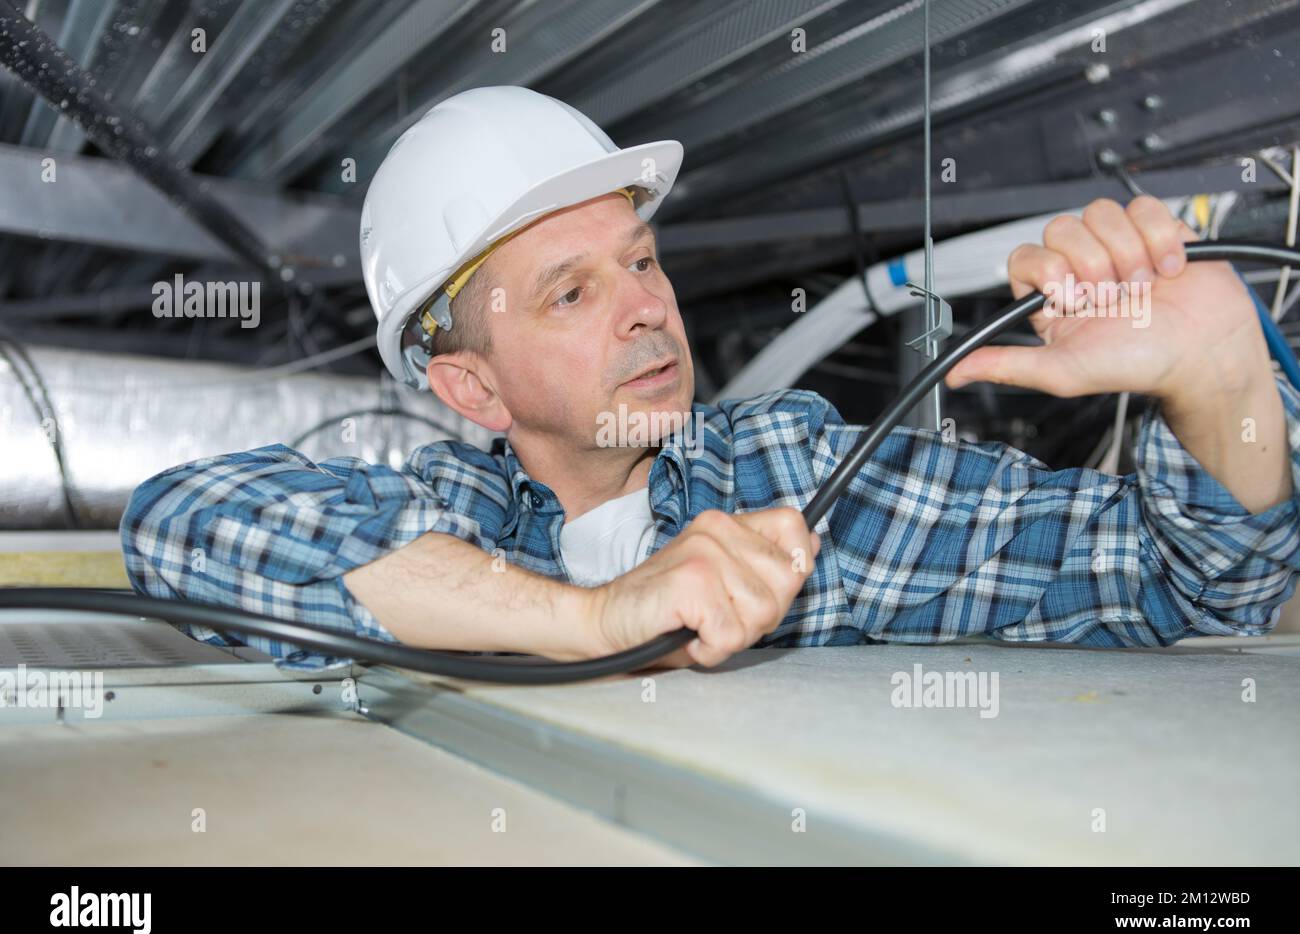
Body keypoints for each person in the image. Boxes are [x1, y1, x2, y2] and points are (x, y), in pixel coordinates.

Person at [120, 86, 1300, 672]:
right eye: (571, 291)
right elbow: (179, 526)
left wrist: (1219, 380)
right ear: (473, 390)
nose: (646, 302)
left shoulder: (798, 481)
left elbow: (1184, 584)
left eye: (640, 258)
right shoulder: (446, 514)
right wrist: (594, 615)